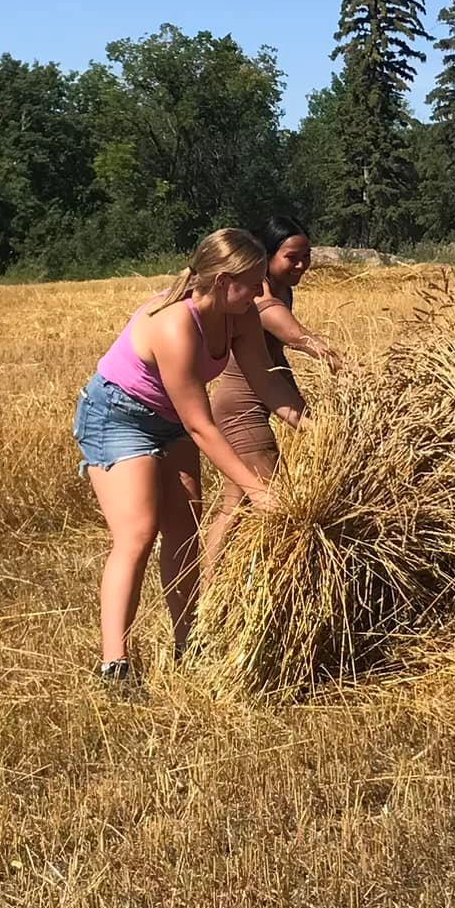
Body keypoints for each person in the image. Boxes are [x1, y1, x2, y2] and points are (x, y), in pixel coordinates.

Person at [71, 227, 306, 691]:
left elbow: (267, 384)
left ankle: (189, 643)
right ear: (222, 282)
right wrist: (259, 492)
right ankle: (115, 665)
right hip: (117, 417)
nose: (261, 292)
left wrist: (316, 427)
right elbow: (201, 427)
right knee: (138, 532)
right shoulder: (174, 324)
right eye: (252, 282)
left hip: (169, 418)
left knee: (185, 530)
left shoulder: (240, 315)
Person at [198, 215, 344, 580]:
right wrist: (336, 360)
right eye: (291, 257)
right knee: (273, 498)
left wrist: (304, 414)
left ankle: (209, 589)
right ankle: (264, 585)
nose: (301, 265)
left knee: (234, 505)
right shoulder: (258, 291)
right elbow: (291, 333)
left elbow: (274, 360)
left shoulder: (282, 289)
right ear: (267, 255)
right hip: (241, 408)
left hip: (264, 395)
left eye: (306, 256)